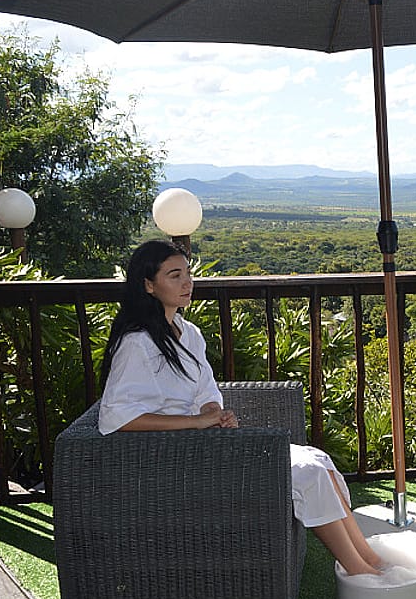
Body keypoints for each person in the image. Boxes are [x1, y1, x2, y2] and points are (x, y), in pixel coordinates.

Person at [98, 239, 383, 576]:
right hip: (172, 463)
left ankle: (371, 560)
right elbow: (116, 417)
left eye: (188, 273)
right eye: (175, 276)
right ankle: (361, 573)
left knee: (317, 459)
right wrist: (196, 423)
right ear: (148, 285)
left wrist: (213, 412)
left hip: (204, 444)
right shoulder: (137, 344)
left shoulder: (188, 333)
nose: (187, 282)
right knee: (308, 474)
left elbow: (206, 388)